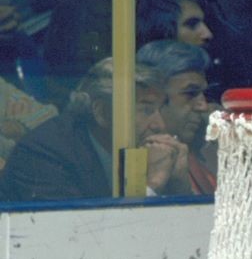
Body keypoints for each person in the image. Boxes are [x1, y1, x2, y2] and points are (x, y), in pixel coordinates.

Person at [0, 57, 191, 201]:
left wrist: (178, 184)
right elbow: (80, 243)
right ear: (101, 112)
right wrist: (151, 184)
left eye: (160, 109)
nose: (160, 125)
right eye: (146, 109)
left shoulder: (140, 152)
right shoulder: (44, 154)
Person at [136, 39, 217, 193]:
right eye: (190, 93)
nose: (203, 106)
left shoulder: (204, 153)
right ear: (154, 95)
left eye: (204, 94)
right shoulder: (128, 162)